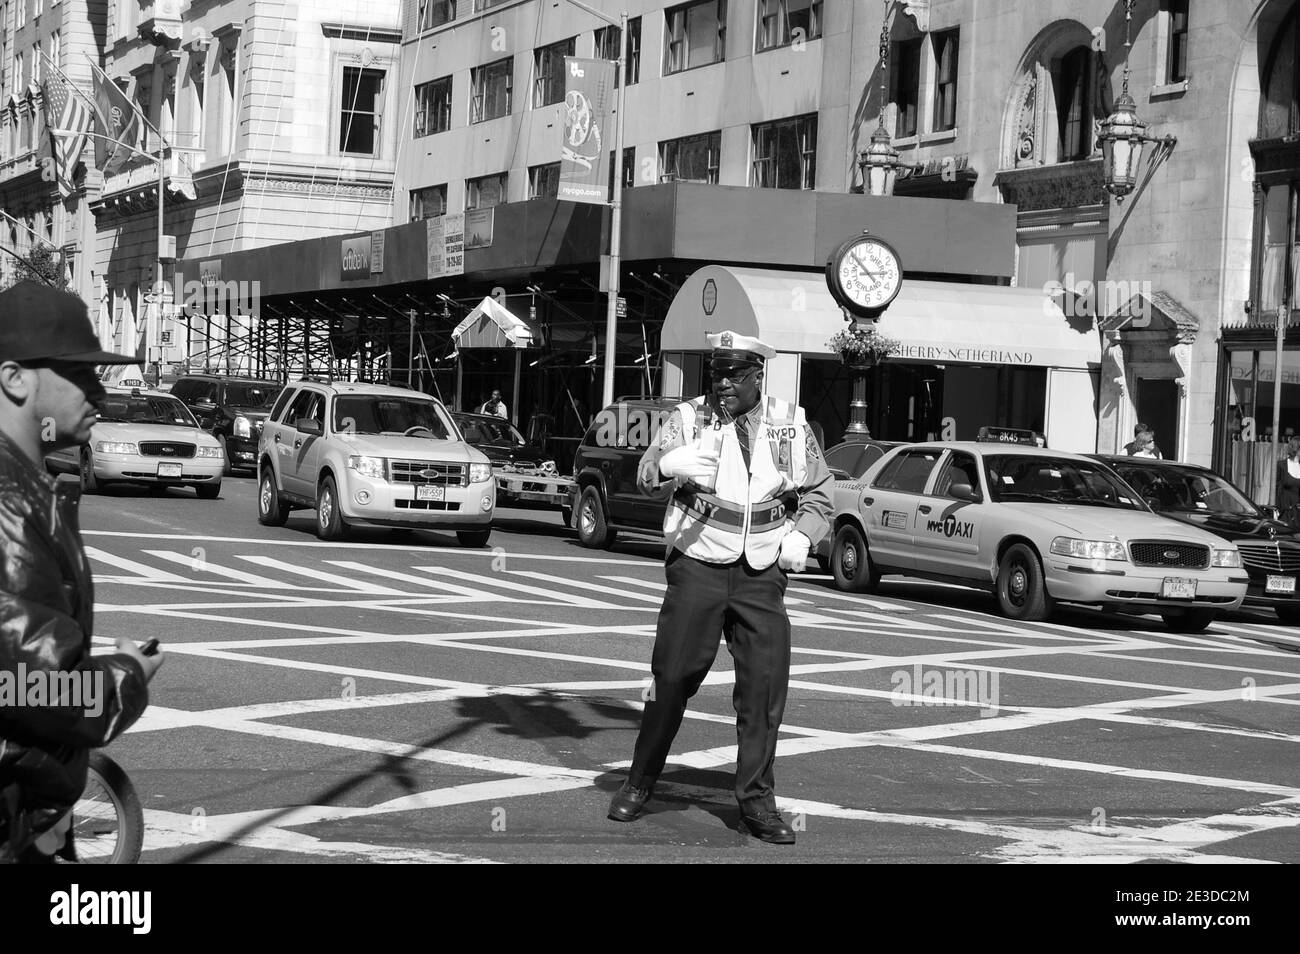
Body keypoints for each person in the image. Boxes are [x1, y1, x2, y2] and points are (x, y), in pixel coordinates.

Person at [606, 330, 832, 844]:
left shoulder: (790, 425)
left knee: (765, 689)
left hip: (762, 574)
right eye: (717, 374)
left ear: (759, 376)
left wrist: (804, 535)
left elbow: (821, 491)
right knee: (672, 678)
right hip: (699, 566)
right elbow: (643, 473)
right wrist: (666, 465)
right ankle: (640, 781)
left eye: (734, 375)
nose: (723, 384)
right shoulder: (687, 418)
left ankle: (757, 801)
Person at [0, 281, 163, 863]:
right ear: (16, 379)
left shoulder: (25, 488)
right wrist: (129, 674)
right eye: (80, 374)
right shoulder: (8, 506)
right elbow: (32, 684)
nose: (100, 392)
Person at [1276, 437, 1300, 526]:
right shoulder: (1282, 465)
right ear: (1296, 449)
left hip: (1298, 515)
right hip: (1284, 513)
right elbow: (1276, 489)